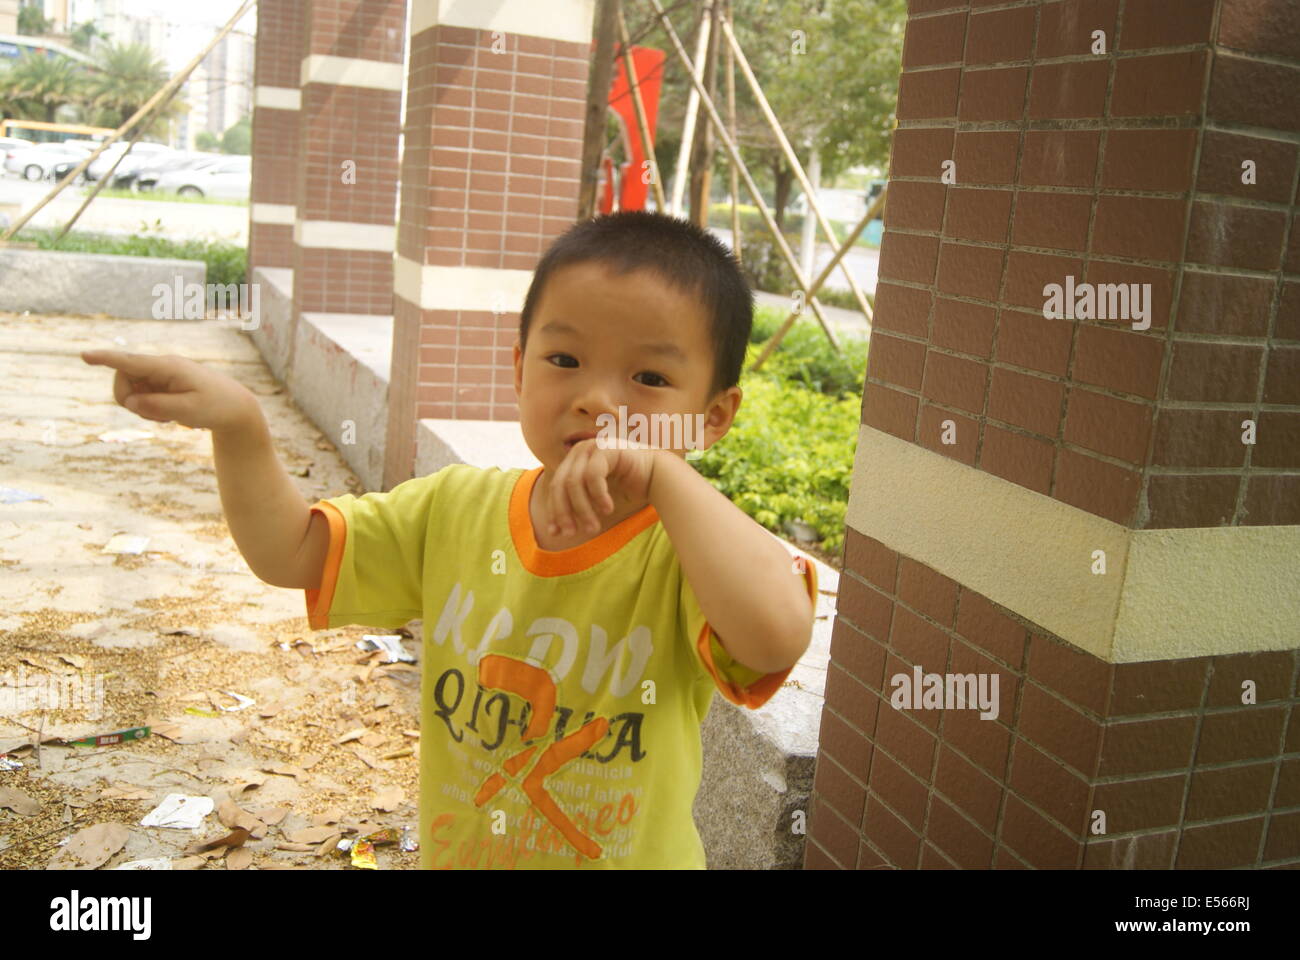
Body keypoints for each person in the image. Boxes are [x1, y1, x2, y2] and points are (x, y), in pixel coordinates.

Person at [81, 210, 818, 869]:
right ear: (518, 367)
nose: (597, 399)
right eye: (564, 360)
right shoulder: (456, 509)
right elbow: (290, 552)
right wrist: (239, 426)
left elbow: (774, 637)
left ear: (713, 417)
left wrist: (663, 474)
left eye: (650, 376)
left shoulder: (685, 553)